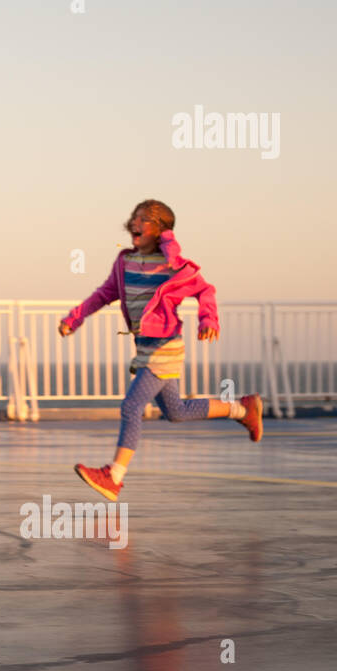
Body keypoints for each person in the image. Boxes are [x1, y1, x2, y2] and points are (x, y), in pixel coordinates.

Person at [58, 199, 263, 501]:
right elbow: (104, 294)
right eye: (134, 218)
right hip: (145, 347)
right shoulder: (124, 262)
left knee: (131, 407)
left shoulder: (172, 267)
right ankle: (242, 408)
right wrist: (74, 318)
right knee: (176, 412)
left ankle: (114, 476)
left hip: (166, 348)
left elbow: (205, 290)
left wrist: (209, 319)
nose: (135, 224)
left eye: (145, 220)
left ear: (161, 230)